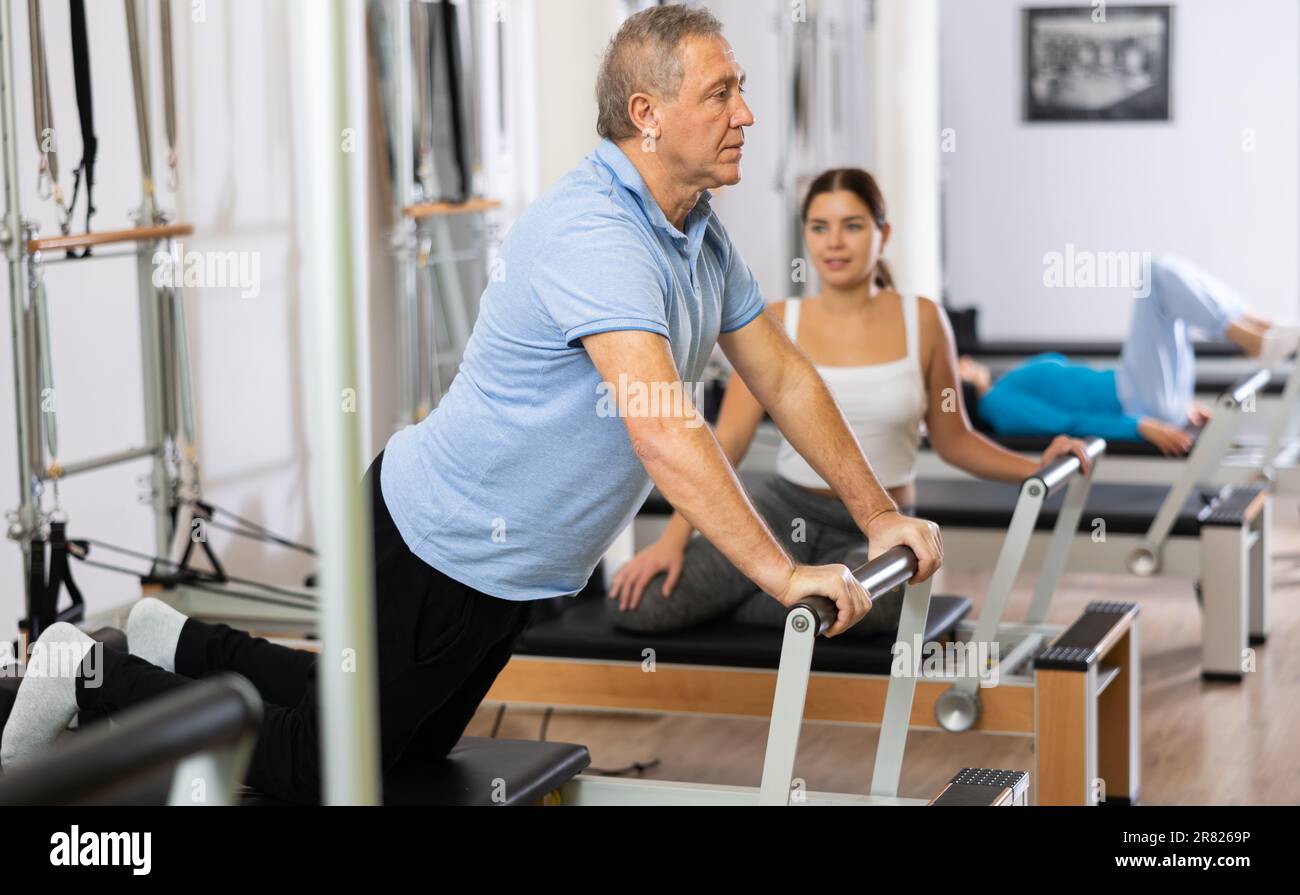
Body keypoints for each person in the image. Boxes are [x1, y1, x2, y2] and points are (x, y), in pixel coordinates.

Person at [1, 5, 941, 803]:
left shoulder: (695, 230)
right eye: (722, 93)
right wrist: (785, 577)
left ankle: (182, 640)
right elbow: (663, 424)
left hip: (510, 569)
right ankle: (87, 677)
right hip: (440, 545)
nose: (747, 113)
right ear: (648, 116)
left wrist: (877, 513)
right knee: (325, 769)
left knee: (383, 733)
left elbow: (783, 373)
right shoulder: (597, 232)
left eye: (739, 88)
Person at [608, 168, 1091, 636]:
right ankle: (790, 603)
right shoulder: (776, 319)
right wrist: (672, 543)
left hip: (874, 532)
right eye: (820, 227)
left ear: (883, 233)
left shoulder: (922, 321)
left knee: (881, 611)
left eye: (852, 226)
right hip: (780, 512)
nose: (834, 242)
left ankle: (779, 604)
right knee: (642, 606)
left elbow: (955, 439)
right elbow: (729, 440)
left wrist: (1033, 469)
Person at [965, 255, 1300, 456]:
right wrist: (1138, 426)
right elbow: (1065, 425)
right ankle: (1258, 339)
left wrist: (1178, 407)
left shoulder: (1006, 383)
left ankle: (1262, 330)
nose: (961, 360)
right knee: (1154, 276)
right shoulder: (996, 402)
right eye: (954, 366)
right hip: (1136, 403)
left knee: (1168, 279)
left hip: (1145, 396)